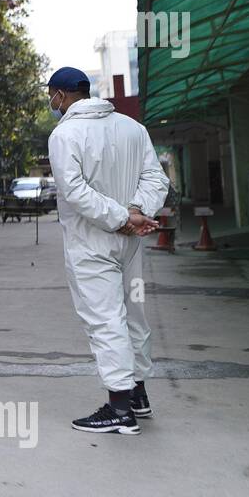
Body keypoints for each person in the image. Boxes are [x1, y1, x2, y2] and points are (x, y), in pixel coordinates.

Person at [46, 67, 169, 436]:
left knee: (105, 320)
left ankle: (119, 407)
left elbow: (75, 191)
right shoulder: (133, 128)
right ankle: (138, 395)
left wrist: (121, 218)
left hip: (92, 240)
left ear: (61, 96)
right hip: (129, 242)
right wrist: (137, 211)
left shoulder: (65, 133)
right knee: (133, 315)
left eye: (50, 96)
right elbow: (156, 178)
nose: (51, 103)